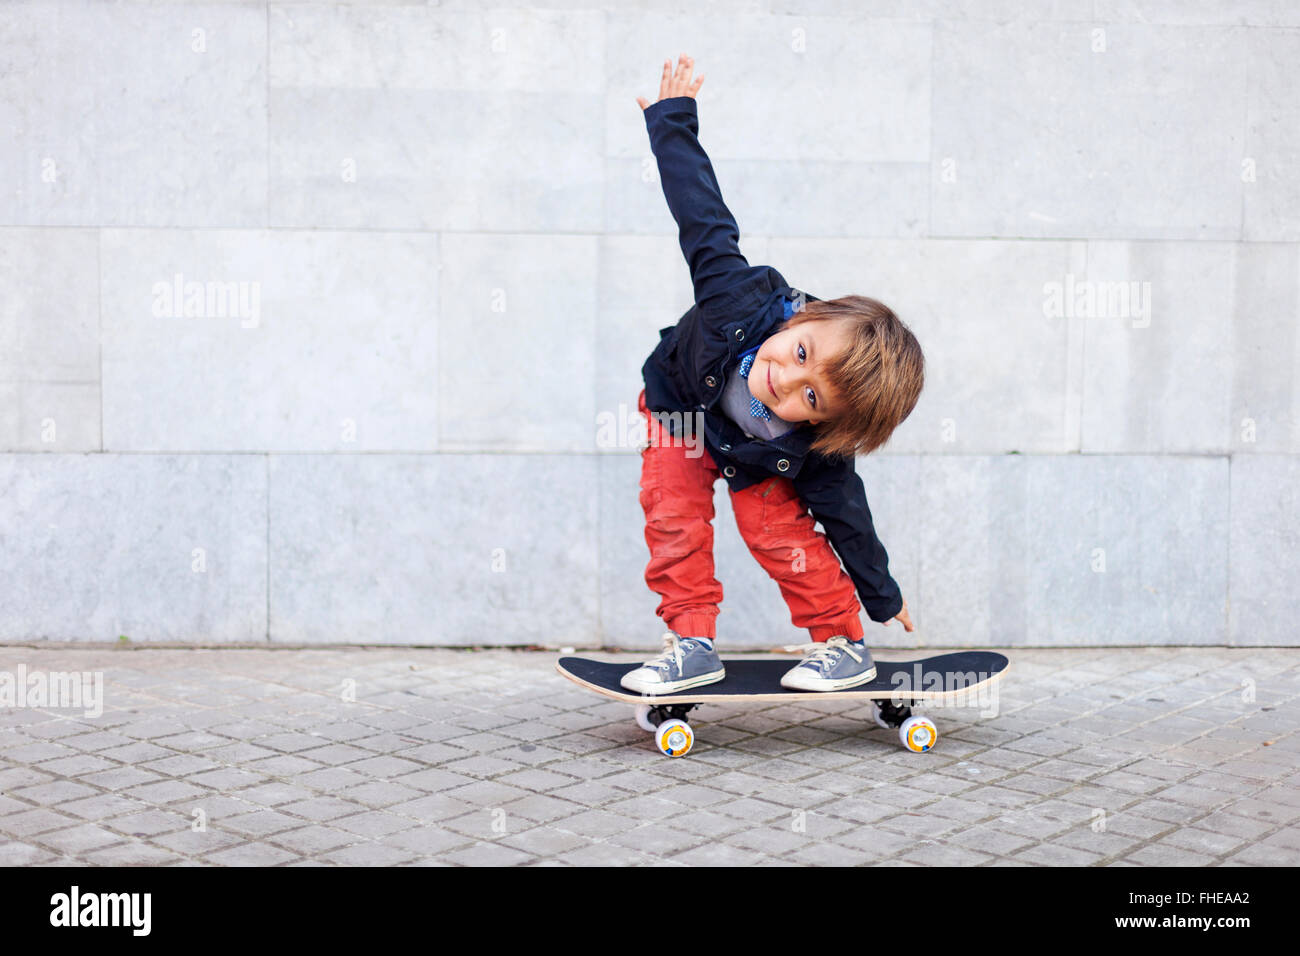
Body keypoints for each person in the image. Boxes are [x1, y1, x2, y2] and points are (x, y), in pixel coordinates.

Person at [622, 55, 924, 695]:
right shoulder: (736, 296)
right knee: (672, 511)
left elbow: (848, 518)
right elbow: (701, 215)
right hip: (679, 405)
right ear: (802, 319)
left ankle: (843, 644)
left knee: (777, 531)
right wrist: (671, 124)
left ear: (825, 427)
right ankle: (692, 642)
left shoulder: (815, 449)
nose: (784, 380)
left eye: (809, 397)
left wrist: (882, 594)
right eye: (802, 354)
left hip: (757, 457)